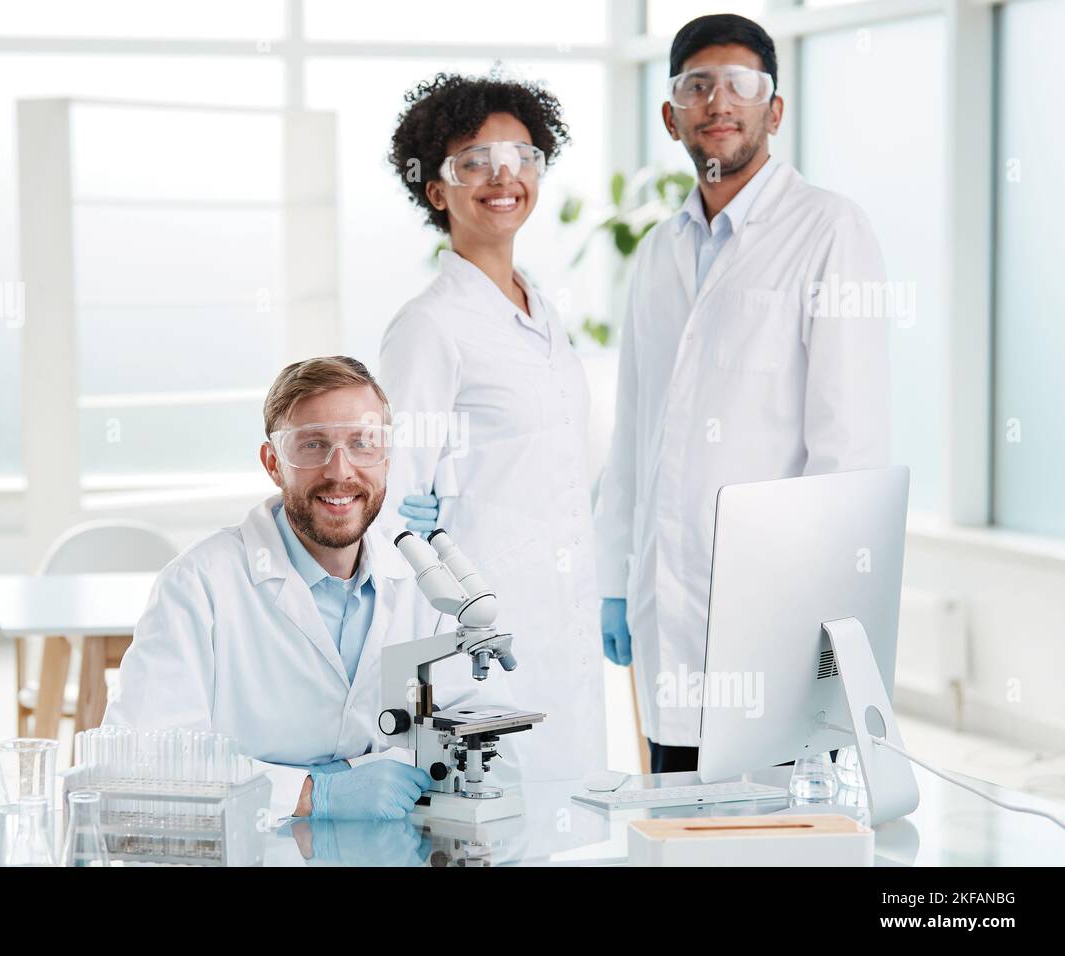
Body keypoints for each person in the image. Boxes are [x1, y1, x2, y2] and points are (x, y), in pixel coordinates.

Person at [596, 14, 891, 772]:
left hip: (776, 625)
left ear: (775, 109)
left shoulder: (829, 229)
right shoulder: (659, 252)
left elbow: (848, 446)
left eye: (741, 85)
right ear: (671, 116)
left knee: (772, 844)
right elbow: (635, 434)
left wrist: (819, 616)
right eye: (696, 86)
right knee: (675, 834)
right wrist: (616, 579)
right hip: (668, 611)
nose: (717, 102)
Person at [104, 356, 507, 822]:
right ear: (274, 463)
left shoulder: (424, 584)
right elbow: (139, 757)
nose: (341, 471)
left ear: (387, 460)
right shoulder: (199, 584)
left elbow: (477, 725)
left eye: (362, 444)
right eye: (313, 445)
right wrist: (312, 794)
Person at [380, 71, 605, 782]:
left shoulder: (543, 310)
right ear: (437, 189)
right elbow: (395, 511)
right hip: (482, 631)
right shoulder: (429, 326)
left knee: (572, 815)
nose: (503, 177)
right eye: (475, 161)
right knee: (495, 819)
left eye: (522, 157)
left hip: (564, 615)